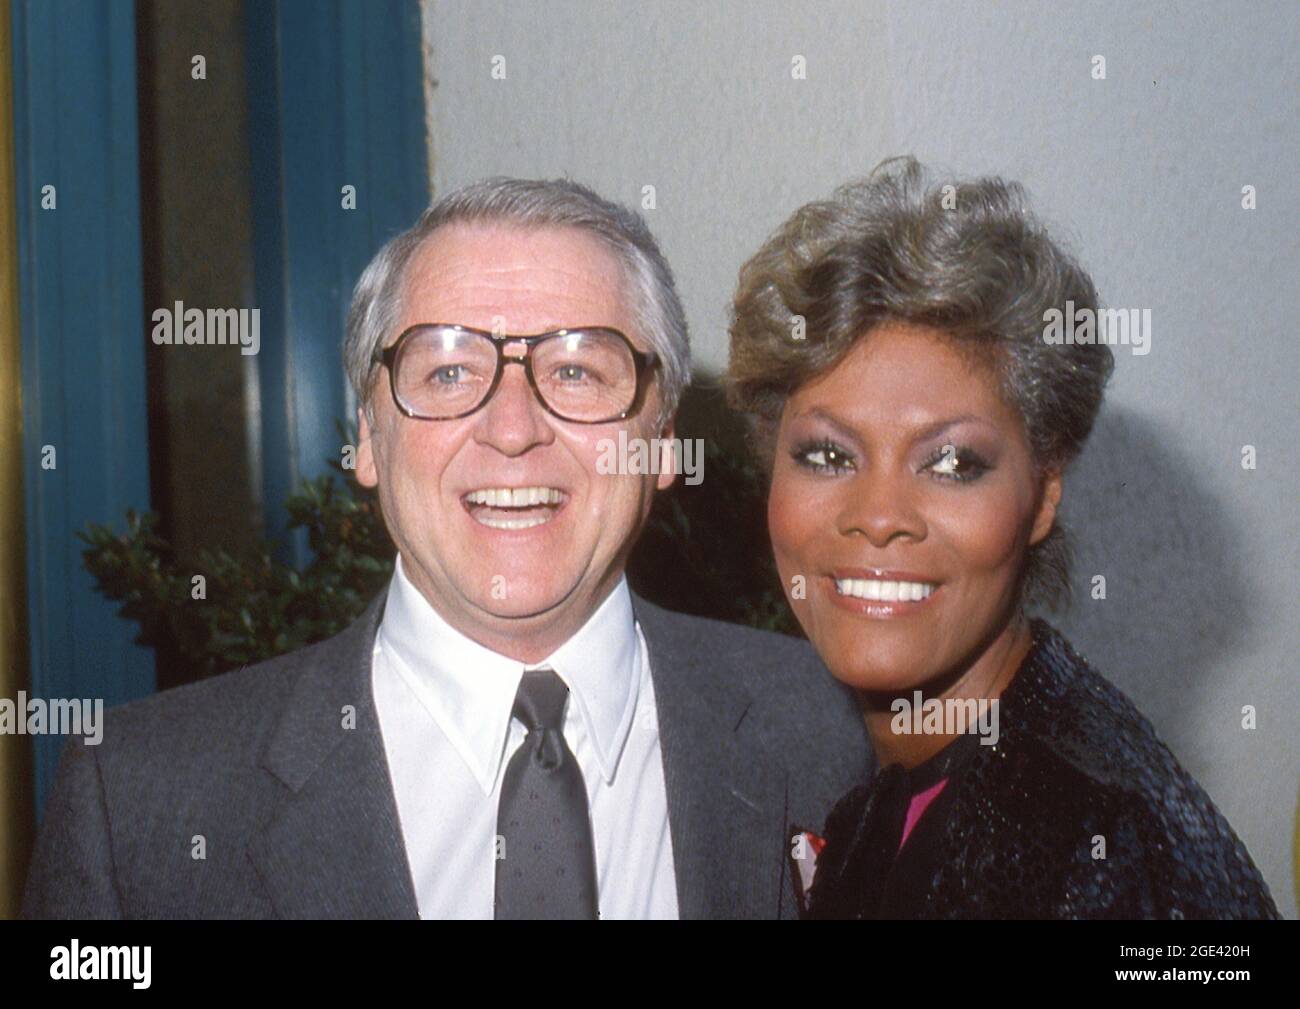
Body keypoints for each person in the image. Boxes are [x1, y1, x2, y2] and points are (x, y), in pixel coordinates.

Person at [23, 177, 870, 920]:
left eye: (578, 371)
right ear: (366, 438)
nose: (511, 429)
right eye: (448, 371)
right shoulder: (141, 805)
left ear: (662, 441)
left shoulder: (840, 733)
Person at [726, 157, 1279, 919]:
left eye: (952, 462)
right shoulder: (886, 795)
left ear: (1044, 492)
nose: (880, 514)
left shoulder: (1099, 839)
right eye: (827, 455)